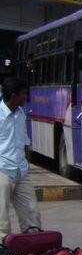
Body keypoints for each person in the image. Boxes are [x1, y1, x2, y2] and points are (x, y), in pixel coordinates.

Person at [0, 77, 42, 235]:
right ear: (12, 95)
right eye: (23, 93)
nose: (26, 97)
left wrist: (26, 162)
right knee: (1, 218)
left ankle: (33, 247)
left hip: (21, 170)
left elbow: (24, 140)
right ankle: (4, 253)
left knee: (31, 212)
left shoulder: (21, 114)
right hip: (2, 170)